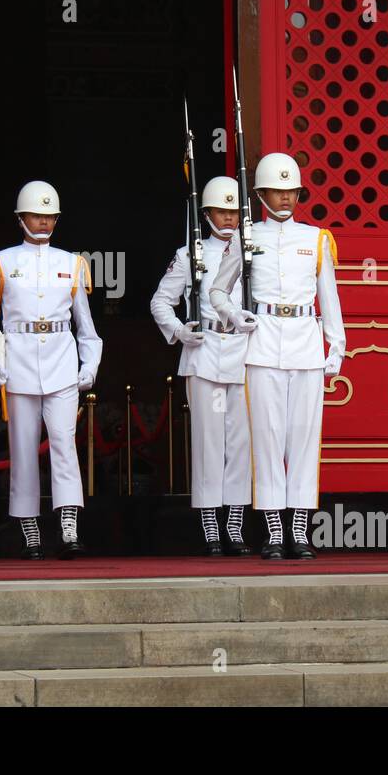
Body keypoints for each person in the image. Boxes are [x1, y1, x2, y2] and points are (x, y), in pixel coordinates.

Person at [209, 153, 345, 560]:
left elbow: (329, 299)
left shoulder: (315, 238)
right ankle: (273, 529)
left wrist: (335, 347)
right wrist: (234, 313)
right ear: (261, 194)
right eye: (277, 191)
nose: (285, 198)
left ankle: (299, 530)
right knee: (267, 440)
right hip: (263, 345)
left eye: (292, 191)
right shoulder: (246, 237)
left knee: (303, 439)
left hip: (306, 345)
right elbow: (217, 290)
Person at [0, 181, 101, 559]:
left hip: (61, 363)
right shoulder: (0, 261)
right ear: (21, 219)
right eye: (37, 215)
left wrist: (91, 364)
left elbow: (85, 325)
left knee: (64, 445)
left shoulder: (71, 263)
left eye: (50, 216)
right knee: (22, 449)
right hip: (17, 362)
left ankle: (68, 526)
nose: (44, 222)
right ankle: (30, 530)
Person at [150, 176, 251, 556]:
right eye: (221, 211)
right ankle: (211, 525)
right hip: (206, 350)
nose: (228, 219)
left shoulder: (253, 251)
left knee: (240, 443)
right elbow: (161, 301)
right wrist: (178, 331)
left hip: (244, 351)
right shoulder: (191, 253)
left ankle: (236, 524)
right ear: (206, 213)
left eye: (233, 211)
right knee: (209, 440)